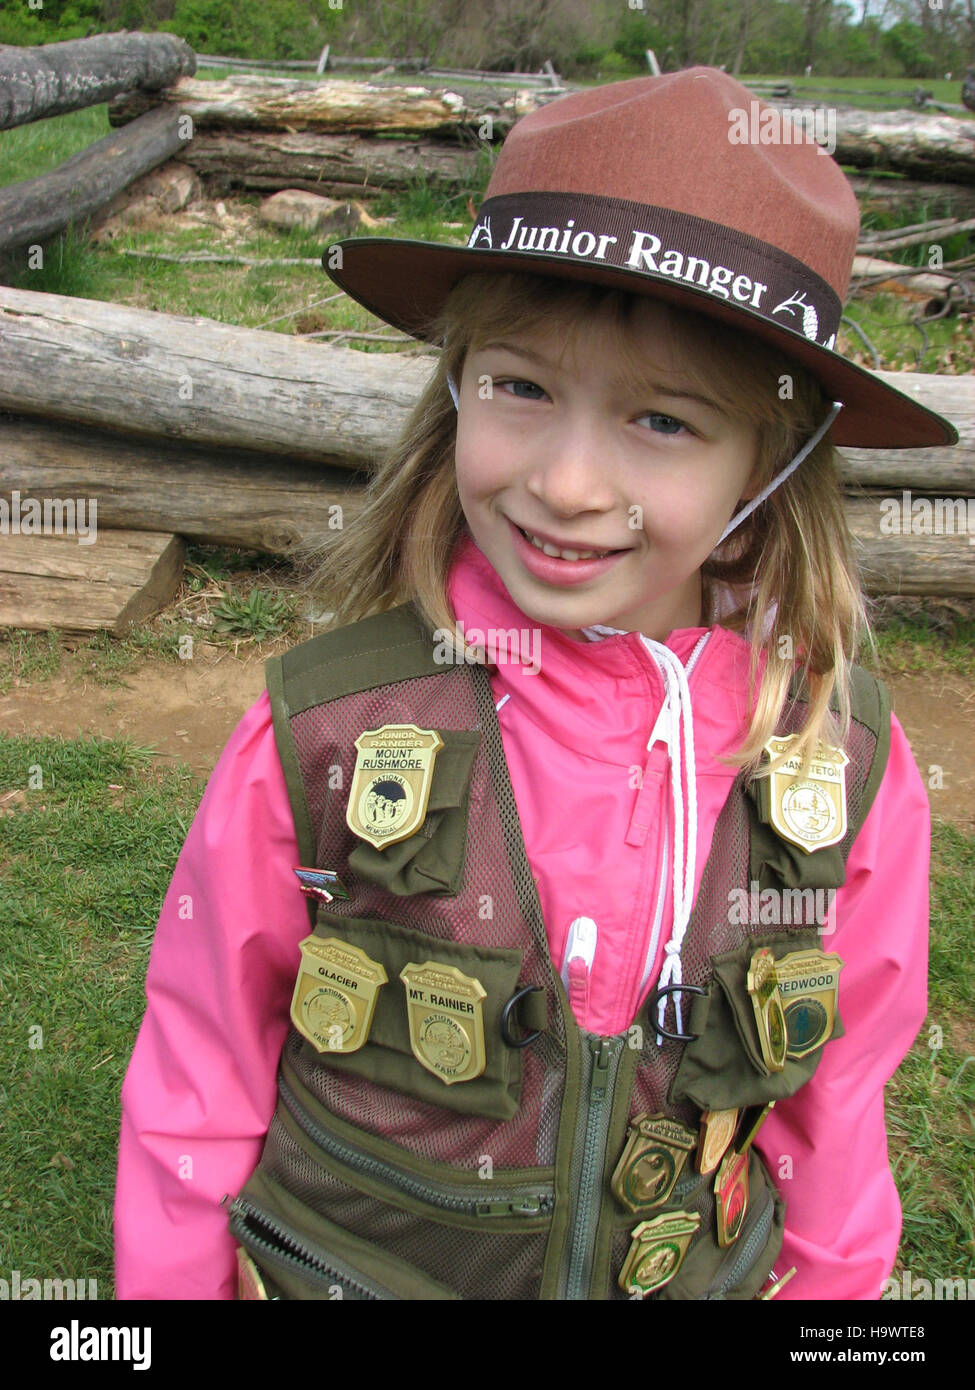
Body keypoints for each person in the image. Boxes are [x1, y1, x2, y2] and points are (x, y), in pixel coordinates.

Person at [114, 67, 957, 1301]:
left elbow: (838, 1091)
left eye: (662, 422)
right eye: (522, 387)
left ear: (767, 464)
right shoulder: (329, 732)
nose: (565, 484)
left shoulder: (840, 764)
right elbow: (202, 1053)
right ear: (457, 384)